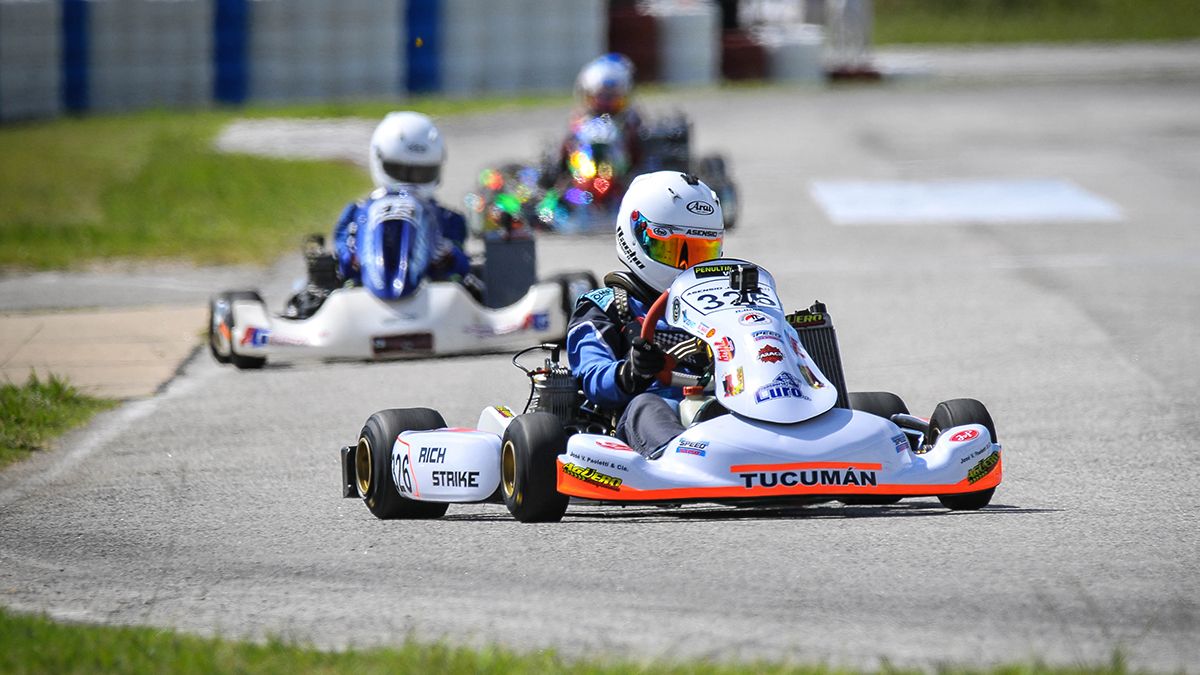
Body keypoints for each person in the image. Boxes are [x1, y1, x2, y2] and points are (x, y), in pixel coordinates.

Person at [566, 171, 725, 457]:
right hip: (642, 419)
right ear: (636, 235)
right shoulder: (605, 307)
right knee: (648, 406)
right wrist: (631, 372)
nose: (686, 265)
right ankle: (679, 458)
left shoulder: (721, 302)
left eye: (701, 254)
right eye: (672, 250)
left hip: (718, 406)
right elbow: (592, 377)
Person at [286, 112, 477, 318]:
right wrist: (350, 257)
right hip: (360, 290)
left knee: (470, 282)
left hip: (434, 291)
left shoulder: (447, 218)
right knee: (317, 280)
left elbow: (461, 263)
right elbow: (342, 252)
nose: (410, 181)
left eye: (421, 173)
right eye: (400, 170)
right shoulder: (357, 211)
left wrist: (446, 255)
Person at [544, 54, 644, 189]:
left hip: (621, 182)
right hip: (581, 183)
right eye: (600, 96)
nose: (606, 102)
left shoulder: (631, 123)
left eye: (612, 96)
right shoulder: (579, 121)